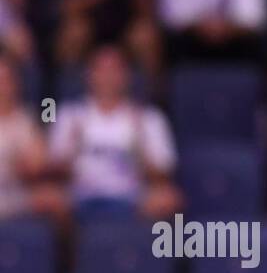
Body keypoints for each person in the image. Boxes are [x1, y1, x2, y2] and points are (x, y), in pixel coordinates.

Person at [47, 44, 181, 220]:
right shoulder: (69, 114)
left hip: (131, 195)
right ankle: (70, 247)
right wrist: (73, 147)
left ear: (126, 76)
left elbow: (163, 173)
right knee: (49, 197)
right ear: (89, 74)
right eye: (101, 70)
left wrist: (140, 147)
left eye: (114, 70)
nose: (107, 77)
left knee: (169, 198)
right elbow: (53, 171)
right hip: (80, 193)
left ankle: (136, 244)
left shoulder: (149, 117)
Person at [0, 55, 68, 223]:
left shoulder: (27, 120)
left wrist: (23, 165)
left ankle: (64, 249)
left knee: (57, 199)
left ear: (16, 84)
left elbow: (36, 165)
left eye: (5, 80)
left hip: (15, 191)